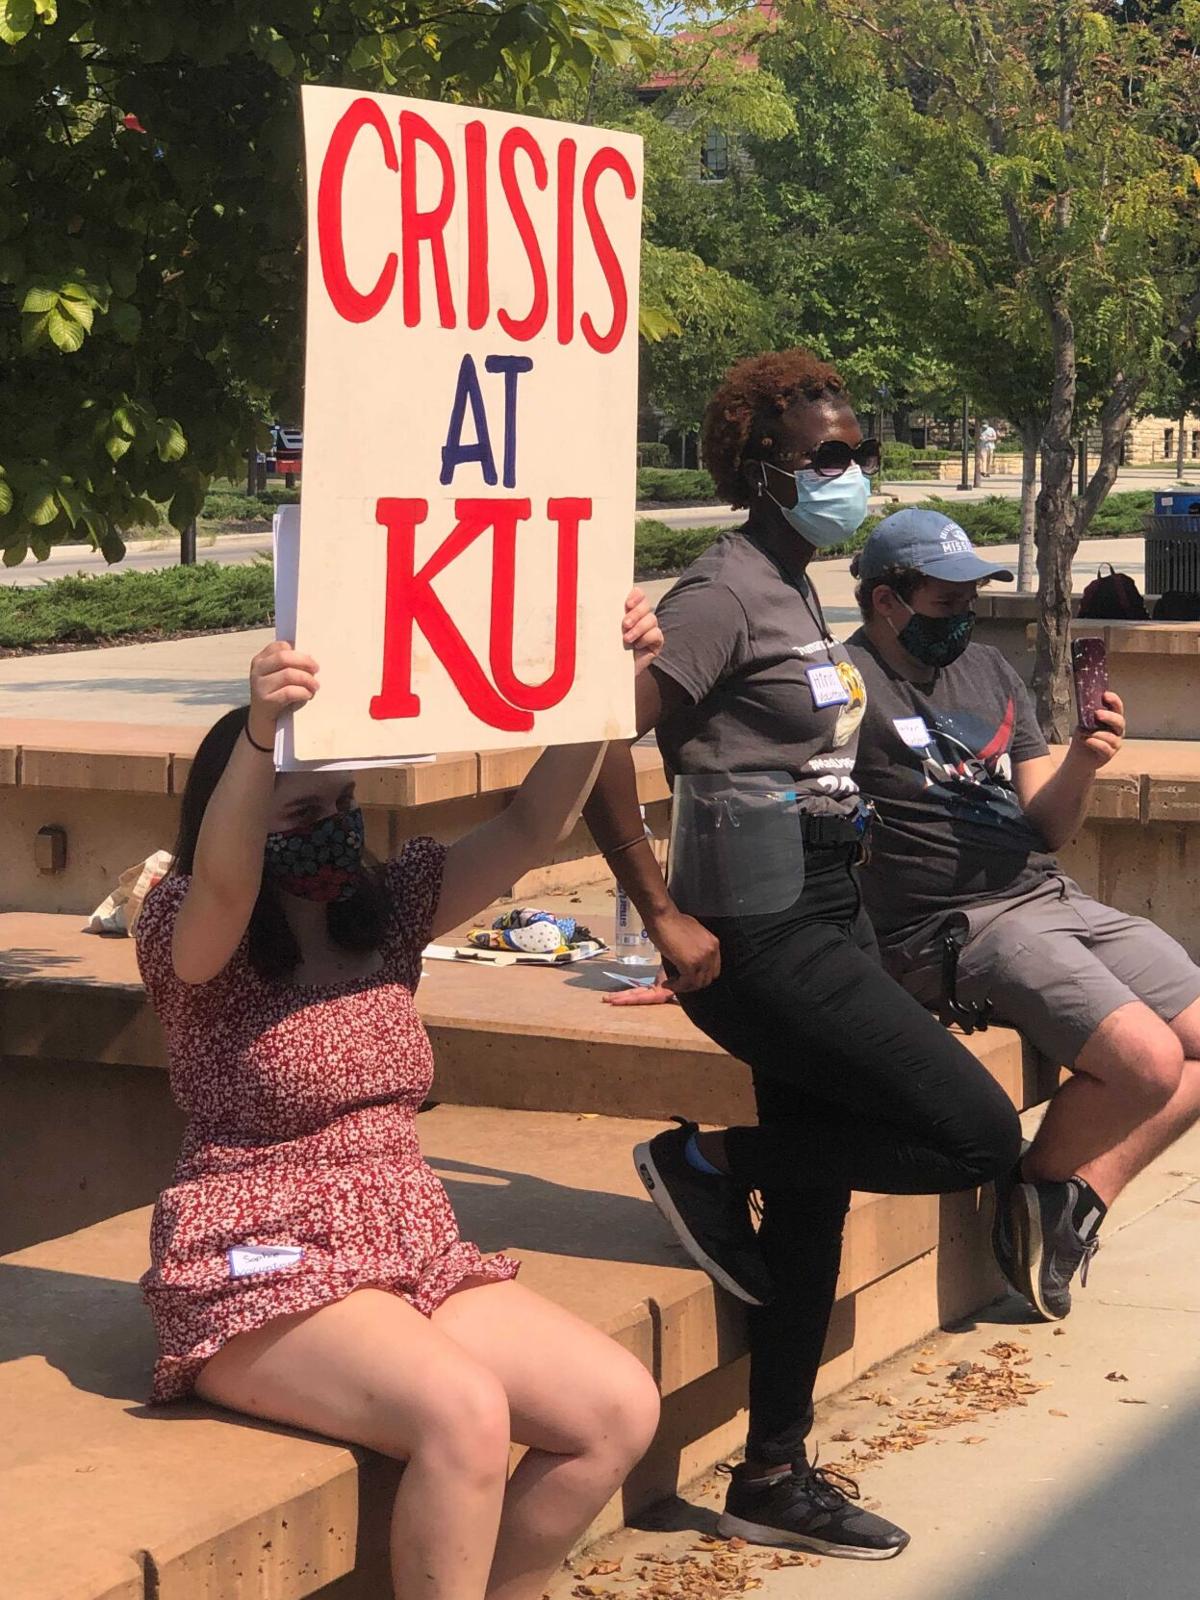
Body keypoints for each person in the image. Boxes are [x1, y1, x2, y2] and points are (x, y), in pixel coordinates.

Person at [134, 594, 665, 1600]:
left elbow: (532, 822)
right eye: (302, 814)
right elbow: (224, 890)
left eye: (341, 808)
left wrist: (603, 689)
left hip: (404, 1241)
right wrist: (259, 732)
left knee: (616, 1409)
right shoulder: (188, 933)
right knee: (462, 1411)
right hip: (256, 1258)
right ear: (239, 816)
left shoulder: (388, 911)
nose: (331, 832)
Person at [582, 350, 1021, 1560]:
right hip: (755, 929)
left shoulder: (795, 582)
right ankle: (714, 1158)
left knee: (815, 1209)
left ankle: (772, 1471)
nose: (853, 473)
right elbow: (592, 737)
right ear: (763, 469)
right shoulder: (723, 589)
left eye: (861, 450)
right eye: (830, 456)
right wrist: (658, 908)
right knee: (978, 1135)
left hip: (825, 905)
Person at [847, 508, 1200, 1322]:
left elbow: (1047, 825)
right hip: (957, 927)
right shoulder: (844, 686)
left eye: (972, 599)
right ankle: (1039, 1187)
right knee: (1148, 1061)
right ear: (884, 600)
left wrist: (1086, 760)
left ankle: (1060, 1200)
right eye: (944, 602)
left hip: (1047, 894)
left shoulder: (993, 675)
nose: (963, 618)